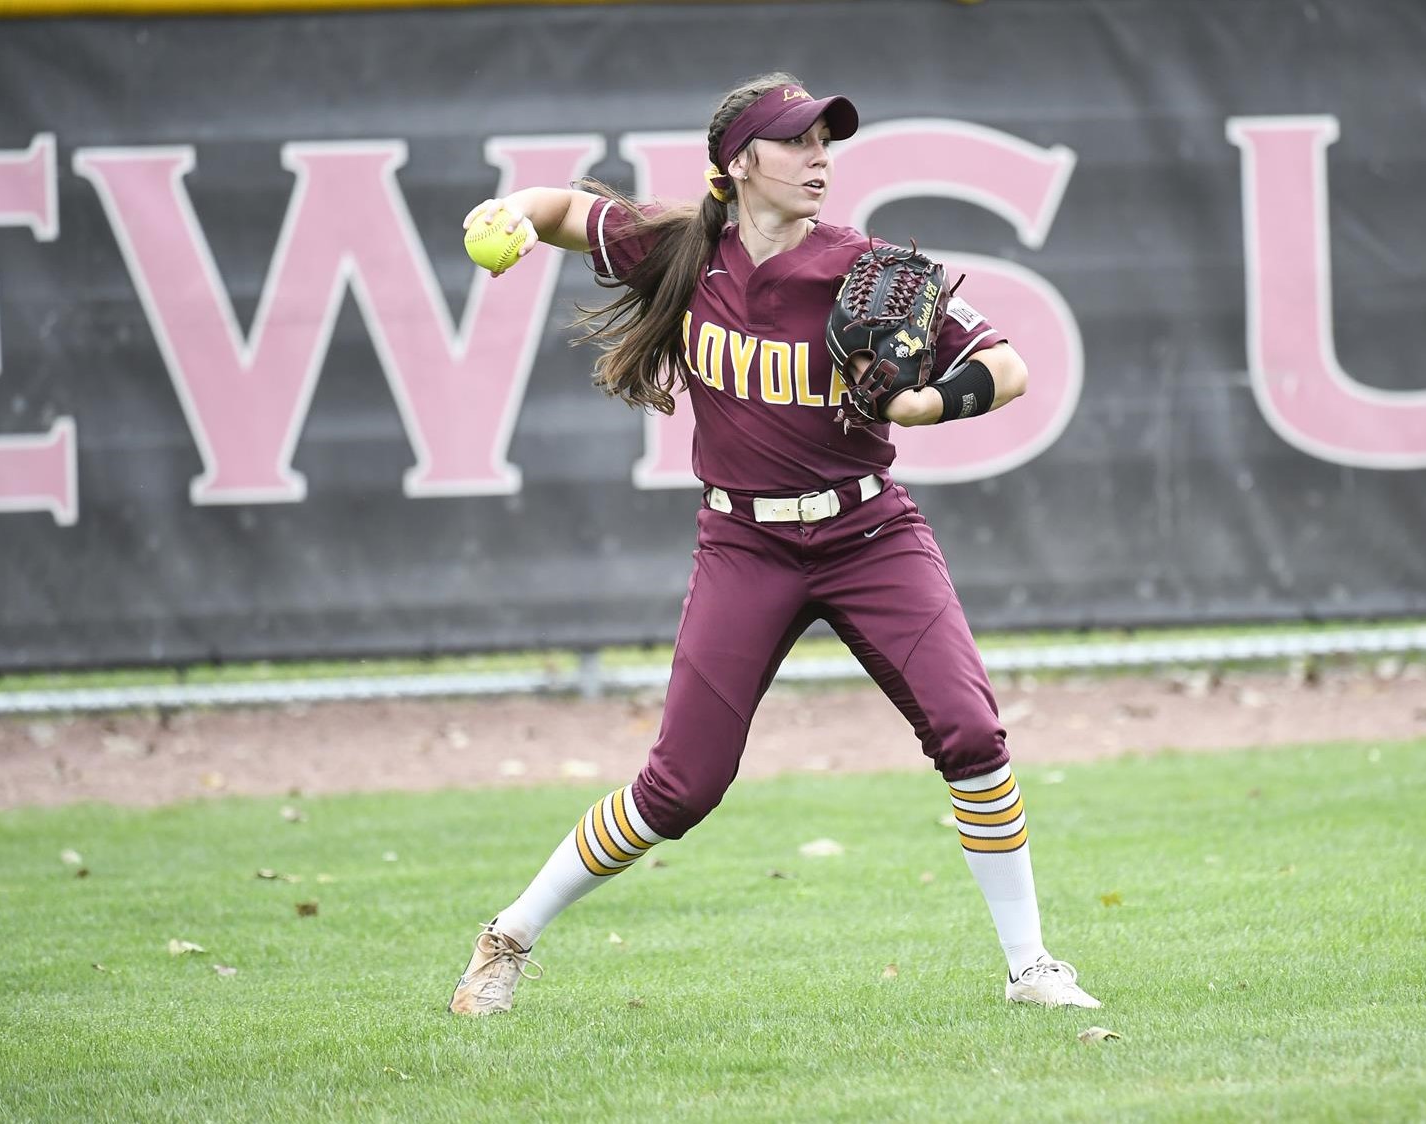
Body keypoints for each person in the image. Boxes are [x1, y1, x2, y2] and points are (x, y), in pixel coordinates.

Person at [447, 72, 1099, 1015]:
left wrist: (923, 399)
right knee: (679, 789)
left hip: (869, 532)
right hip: (744, 545)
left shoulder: (864, 267)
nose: (819, 157)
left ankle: (1031, 965)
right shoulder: (676, 251)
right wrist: (510, 211)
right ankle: (509, 934)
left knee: (971, 731)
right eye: (796, 141)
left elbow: (1008, 367)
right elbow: (561, 211)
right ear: (739, 162)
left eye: (827, 141)